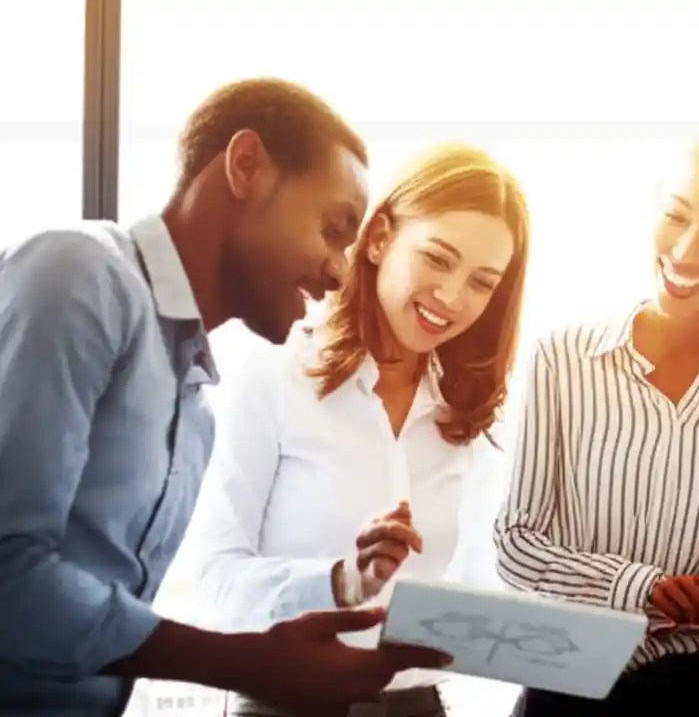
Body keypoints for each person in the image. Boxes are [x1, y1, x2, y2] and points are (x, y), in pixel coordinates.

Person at [0, 78, 450, 717]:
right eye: (332, 229)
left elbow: (109, 623)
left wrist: (340, 585)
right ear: (246, 167)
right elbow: (6, 572)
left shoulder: (196, 404)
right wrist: (244, 664)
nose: (340, 270)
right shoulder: (80, 274)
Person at [177, 141, 529, 716]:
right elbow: (213, 581)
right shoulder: (275, 375)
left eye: (482, 282)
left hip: (416, 705)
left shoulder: (470, 414)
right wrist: (341, 582)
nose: (451, 297)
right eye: (437, 259)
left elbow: (477, 583)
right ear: (382, 237)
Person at [495, 123, 699, 716]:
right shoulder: (562, 358)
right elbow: (519, 547)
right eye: (676, 216)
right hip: (562, 696)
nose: (684, 252)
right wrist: (647, 591)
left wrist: (602, 605)